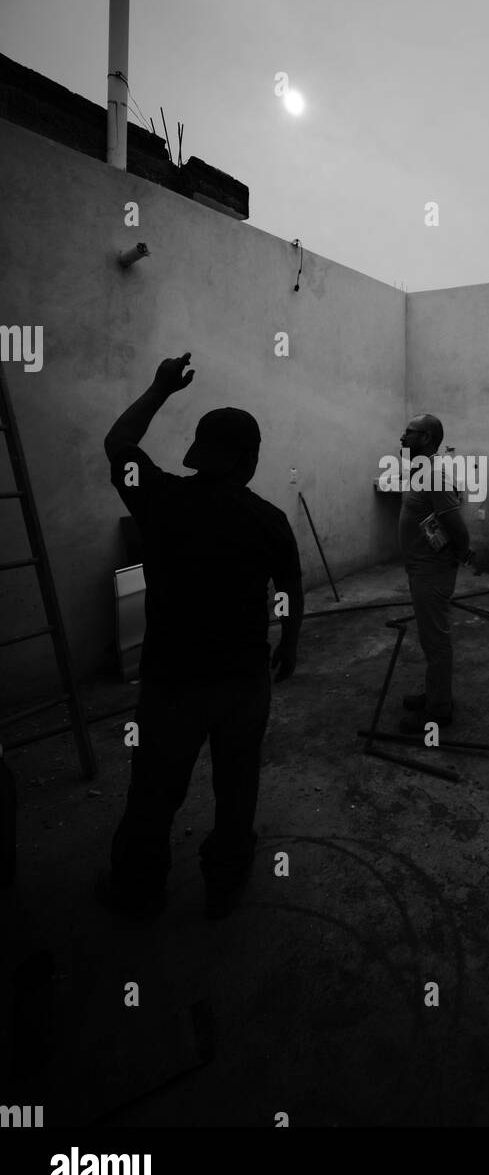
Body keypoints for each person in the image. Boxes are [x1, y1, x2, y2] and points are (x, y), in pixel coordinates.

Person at [99, 352, 303, 919]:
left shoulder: (159, 499)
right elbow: (288, 587)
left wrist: (161, 387)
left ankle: (138, 889)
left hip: (172, 683)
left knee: (154, 793)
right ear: (251, 460)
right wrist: (289, 642)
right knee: (237, 790)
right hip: (243, 682)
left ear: (197, 451)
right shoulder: (269, 519)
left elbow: (118, 441)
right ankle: (225, 881)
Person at [397, 414, 472, 735]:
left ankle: (439, 710)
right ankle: (435, 693)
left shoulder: (435, 476)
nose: (402, 438)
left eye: (409, 433)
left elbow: (456, 524)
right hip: (421, 568)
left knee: (435, 640)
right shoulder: (421, 472)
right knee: (431, 638)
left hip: (432, 571)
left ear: (426, 438)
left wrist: (463, 551)